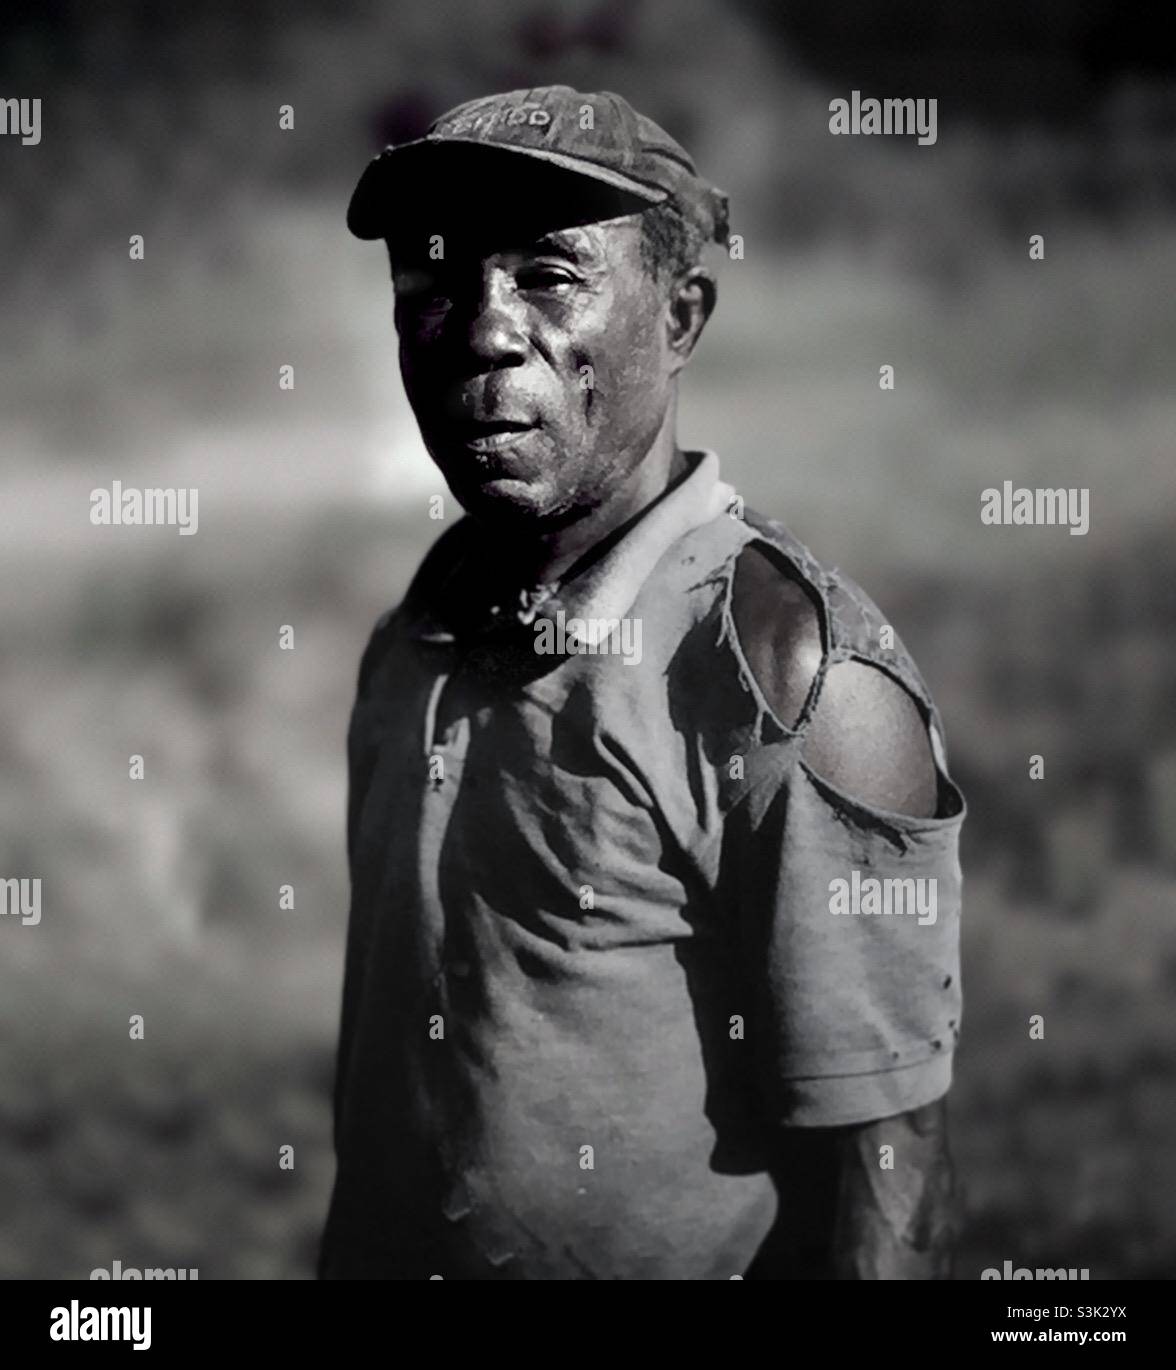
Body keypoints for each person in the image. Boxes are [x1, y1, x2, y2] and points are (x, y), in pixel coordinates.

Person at [318, 85, 965, 1280]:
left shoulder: (788, 670)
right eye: (433, 283)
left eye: (549, 277)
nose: (480, 329)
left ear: (679, 318)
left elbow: (890, 1168)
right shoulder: (416, 632)